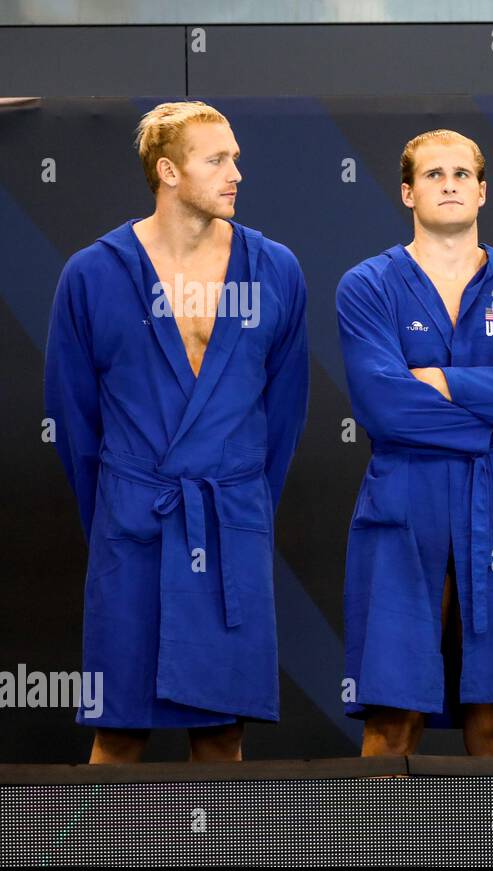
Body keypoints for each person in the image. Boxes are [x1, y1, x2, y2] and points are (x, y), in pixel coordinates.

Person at [44, 101, 310, 763]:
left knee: (223, 736)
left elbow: (285, 416)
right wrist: (116, 512)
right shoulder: (92, 274)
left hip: (228, 525)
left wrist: (242, 512)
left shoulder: (276, 270)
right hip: (131, 526)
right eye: (216, 159)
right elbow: (75, 427)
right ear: (167, 170)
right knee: (118, 733)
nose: (236, 173)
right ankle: (95, 864)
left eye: (237, 158)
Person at [337, 129, 493, 758]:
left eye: (462, 174)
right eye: (434, 174)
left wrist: (442, 380)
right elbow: (385, 409)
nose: (449, 184)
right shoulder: (367, 285)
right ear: (408, 191)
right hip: (404, 506)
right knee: (392, 719)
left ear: (483, 190)